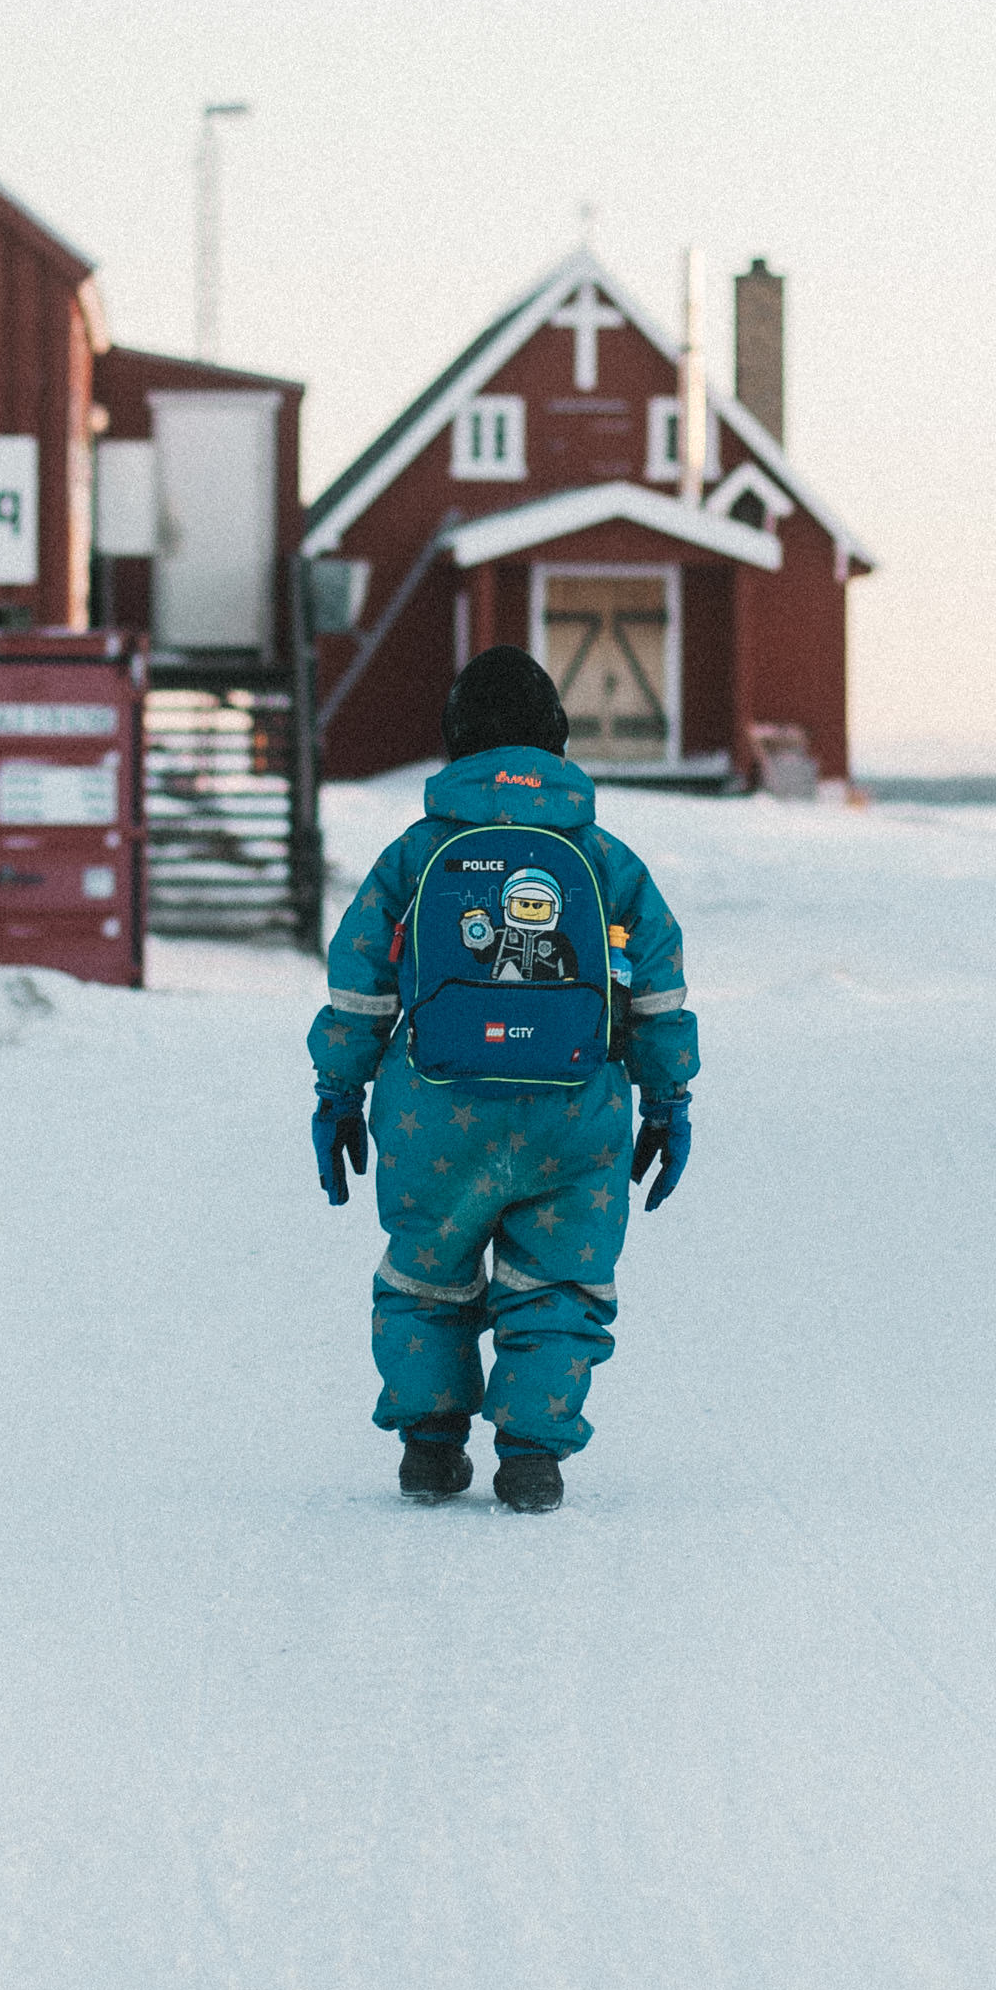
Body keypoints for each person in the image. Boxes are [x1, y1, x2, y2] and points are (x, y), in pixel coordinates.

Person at [307, 645, 698, 1513]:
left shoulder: (415, 855)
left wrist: (338, 1090)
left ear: (455, 744)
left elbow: (360, 979)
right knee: (559, 1283)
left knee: (426, 1273)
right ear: (556, 742)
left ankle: (430, 1445)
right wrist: (669, 1098)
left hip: (433, 1110)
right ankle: (532, 1455)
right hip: (575, 1112)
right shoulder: (601, 856)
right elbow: (660, 982)